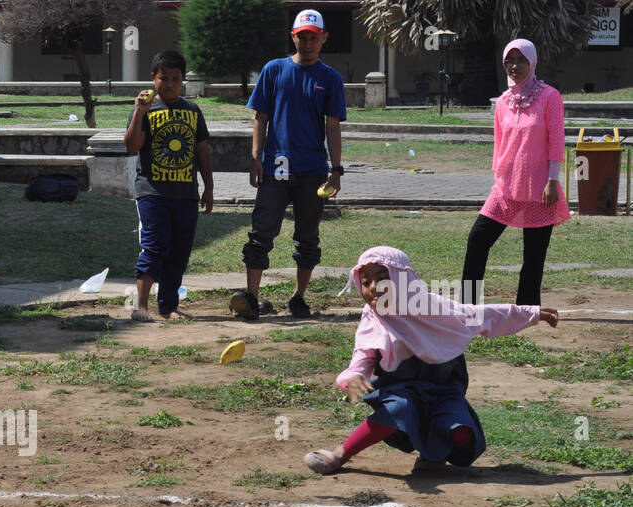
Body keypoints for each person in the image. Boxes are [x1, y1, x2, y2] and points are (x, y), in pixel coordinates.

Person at [303, 246, 558, 476]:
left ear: (403, 279)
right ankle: (341, 453)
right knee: (398, 410)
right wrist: (353, 377)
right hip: (401, 391)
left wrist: (531, 313)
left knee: (461, 432)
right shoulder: (374, 319)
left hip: (444, 391)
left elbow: (484, 316)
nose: (372, 289)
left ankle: (433, 456)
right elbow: (363, 355)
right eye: (365, 282)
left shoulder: (433, 308)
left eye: (382, 279)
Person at [231, 9, 345, 321]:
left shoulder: (330, 79)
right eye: (302, 36)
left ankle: (298, 297)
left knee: (307, 236)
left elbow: (332, 127)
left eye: (313, 37)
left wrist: (336, 170)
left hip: (312, 170)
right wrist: (255, 158)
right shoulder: (274, 70)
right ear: (293, 36)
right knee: (261, 232)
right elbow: (260, 118)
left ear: (323, 39)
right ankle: (251, 298)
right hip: (275, 167)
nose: (307, 43)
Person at [460, 39, 568, 308]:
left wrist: (552, 180)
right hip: (506, 187)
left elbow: (556, 139)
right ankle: (467, 305)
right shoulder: (502, 102)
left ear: (532, 63)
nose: (514, 66)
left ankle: (527, 309)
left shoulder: (549, 96)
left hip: (540, 186)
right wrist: (498, 176)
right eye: (509, 60)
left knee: (533, 254)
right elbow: (500, 143)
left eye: (521, 60)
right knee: (477, 240)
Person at [123, 49, 214, 323]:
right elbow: (131, 146)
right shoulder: (146, 109)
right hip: (152, 193)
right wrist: (140, 111)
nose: (170, 83)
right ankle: (141, 305)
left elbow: (203, 151)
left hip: (186, 194)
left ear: (183, 79)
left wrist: (208, 187)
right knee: (154, 246)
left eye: (176, 78)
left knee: (180, 250)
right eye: (164, 78)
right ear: (153, 78)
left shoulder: (193, 111)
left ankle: (168, 306)